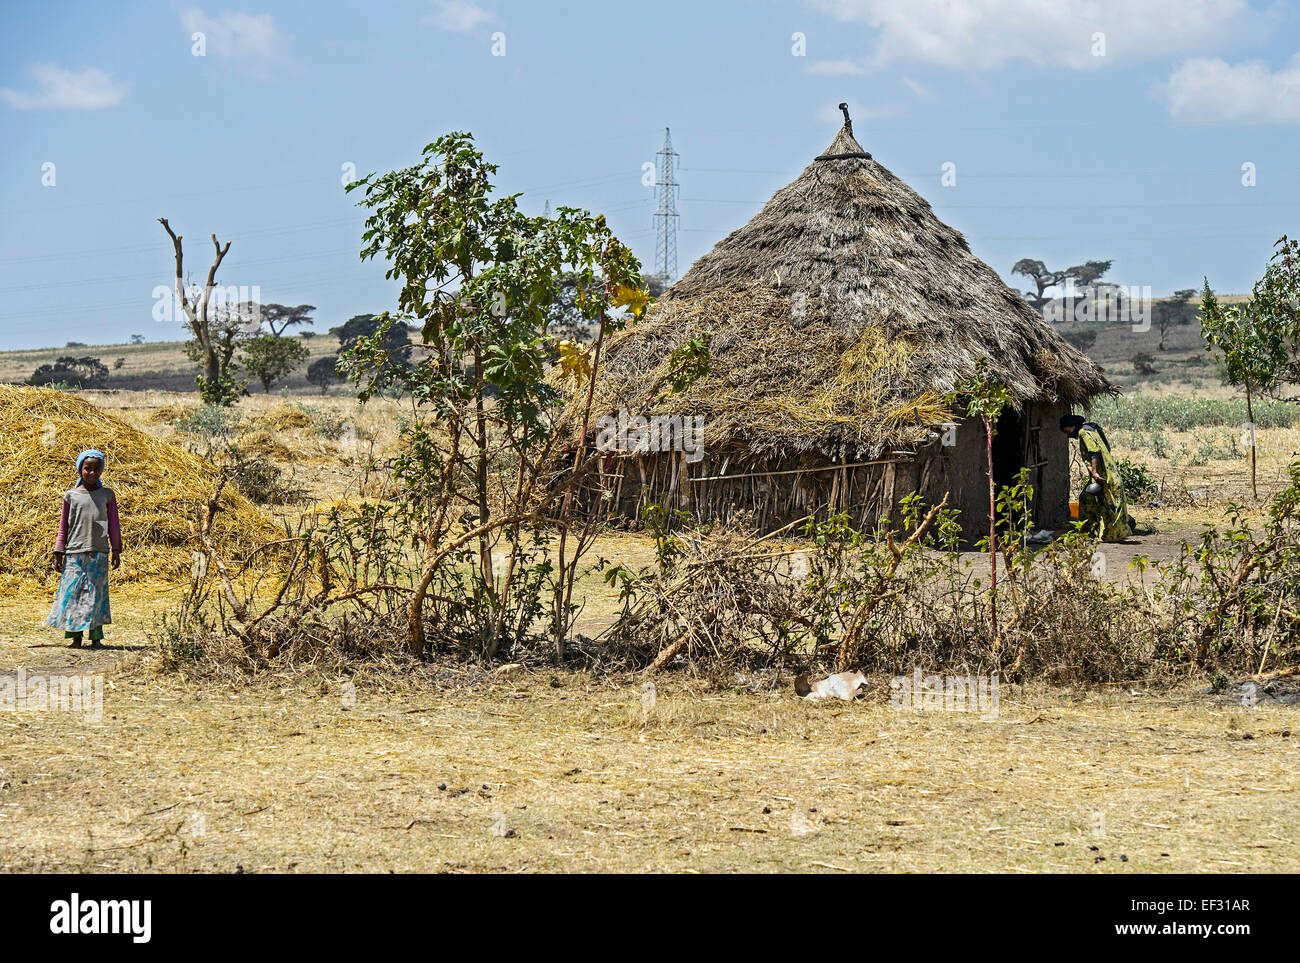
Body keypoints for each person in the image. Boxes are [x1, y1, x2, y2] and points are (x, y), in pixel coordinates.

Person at [47, 449, 122, 648]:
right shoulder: (71, 496)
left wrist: (116, 549)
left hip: (99, 552)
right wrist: (58, 550)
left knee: (96, 596)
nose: (92, 473)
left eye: (97, 469)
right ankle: (75, 638)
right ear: (80, 469)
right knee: (73, 595)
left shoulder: (107, 495)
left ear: (102, 470)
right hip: (74, 553)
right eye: (87, 469)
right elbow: (63, 525)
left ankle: (96, 638)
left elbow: (113, 524)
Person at [1060, 414, 1132, 542]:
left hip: (1105, 476)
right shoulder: (1091, 429)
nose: (1067, 434)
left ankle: (1112, 534)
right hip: (1105, 475)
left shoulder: (1083, 432)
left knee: (1109, 505)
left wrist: (1094, 473)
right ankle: (1090, 531)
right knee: (1088, 499)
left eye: (1066, 430)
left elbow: (1094, 452)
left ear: (1071, 426)